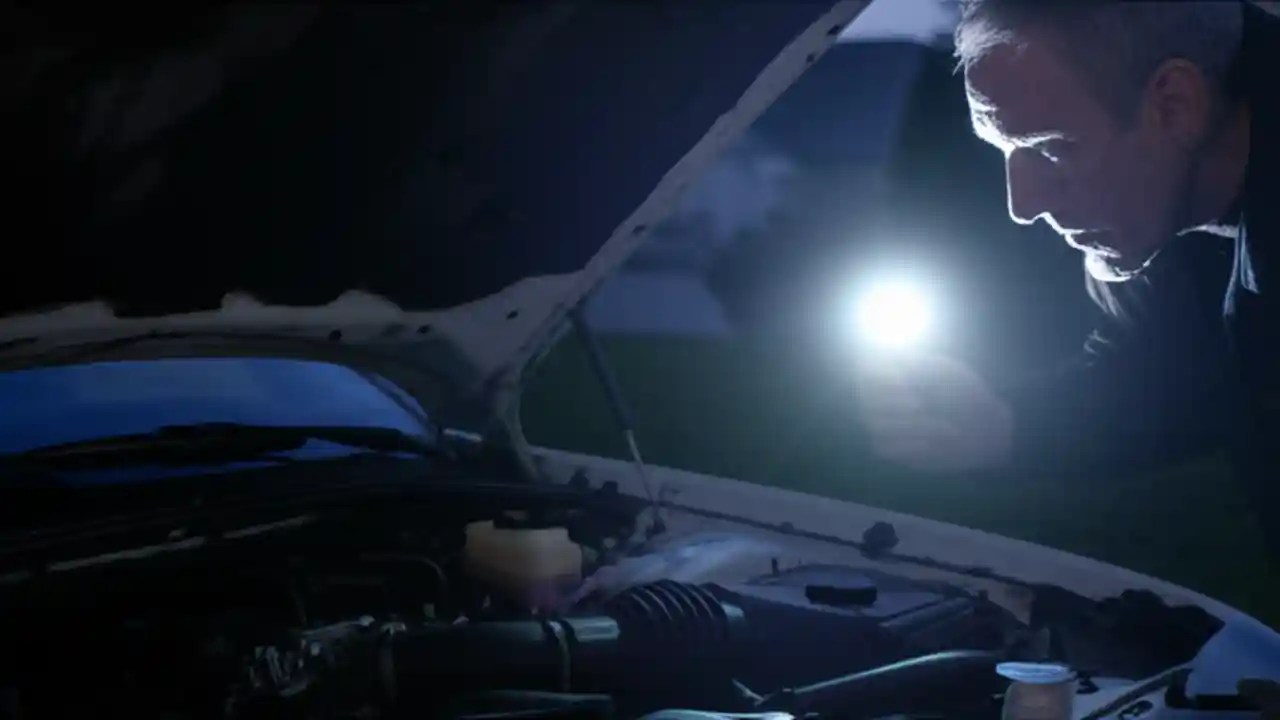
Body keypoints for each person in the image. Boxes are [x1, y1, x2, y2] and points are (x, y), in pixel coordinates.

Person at [855, 1, 1280, 561]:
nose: (1023, 205)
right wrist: (1007, 426)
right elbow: (1162, 372)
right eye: (1004, 151)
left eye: (1051, 149)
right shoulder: (1167, 208)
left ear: (1175, 105)